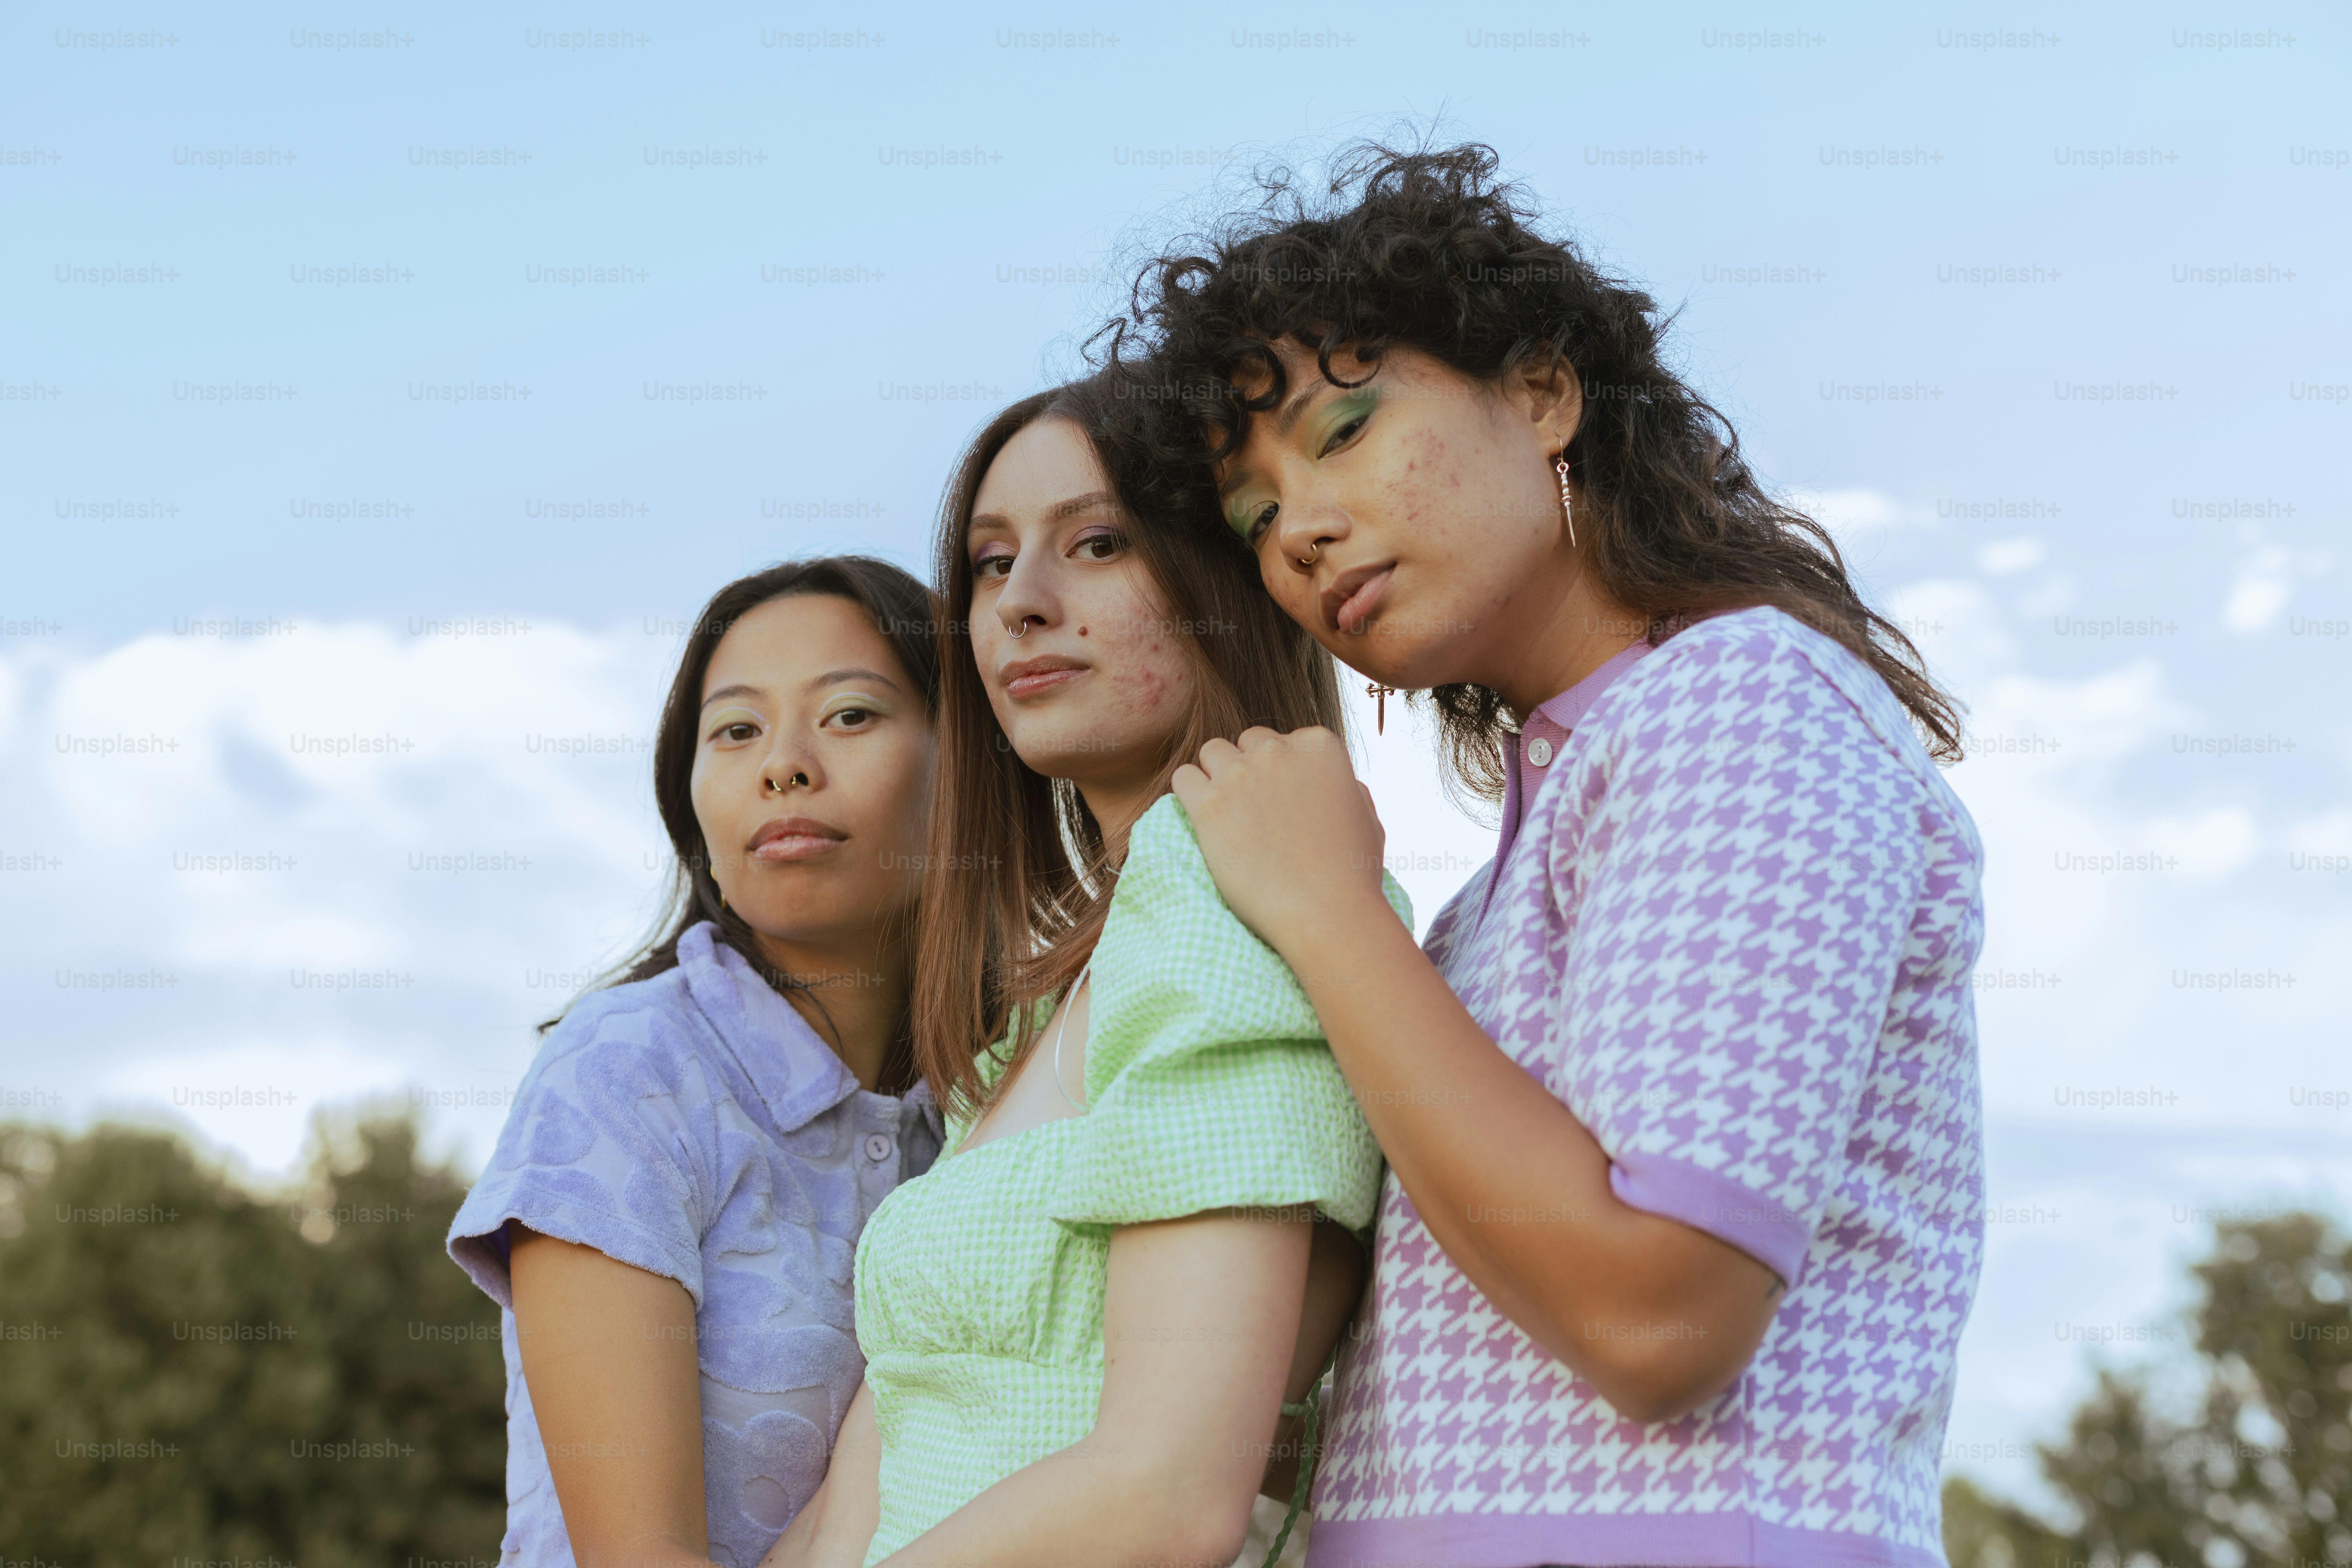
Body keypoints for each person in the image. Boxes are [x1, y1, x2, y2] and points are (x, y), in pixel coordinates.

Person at [1132, 142, 1987, 1568]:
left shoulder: (1749, 700)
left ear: (1542, 393)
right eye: (1257, 518)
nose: (1305, 531)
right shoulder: (1479, 913)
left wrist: (1328, 913)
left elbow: (1658, 1316)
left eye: (1343, 432)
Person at [767, 374, 1408, 1568]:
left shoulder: (1227, 891)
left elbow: (1168, 1495)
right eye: (992, 564)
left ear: (1226, 579)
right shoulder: (1040, 996)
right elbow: (867, 1487)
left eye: (1098, 544)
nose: (1021, 604)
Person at [446, 557, 946, 1567]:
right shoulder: (626, 1073)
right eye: (737, 730)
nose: (785, 766)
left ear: (971, 765)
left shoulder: (1008, 1099)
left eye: (850, 715)